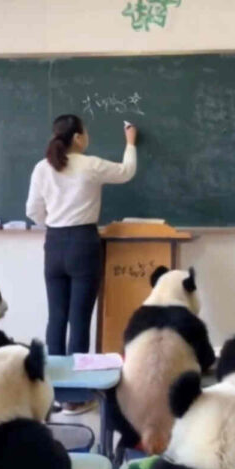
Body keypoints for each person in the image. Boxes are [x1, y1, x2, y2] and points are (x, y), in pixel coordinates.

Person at [26, 114, 137, 414]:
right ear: (77, 137)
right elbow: (127, 171)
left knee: (56, 319)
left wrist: (51, 222)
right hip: (83, 244)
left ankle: (51, 394)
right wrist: (130, 143)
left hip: (55, 244)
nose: (87, 137)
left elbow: (32, 211)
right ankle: (75, 398)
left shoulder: (41, 167)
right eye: (85, 133)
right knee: (79, 320)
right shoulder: (90, 165)